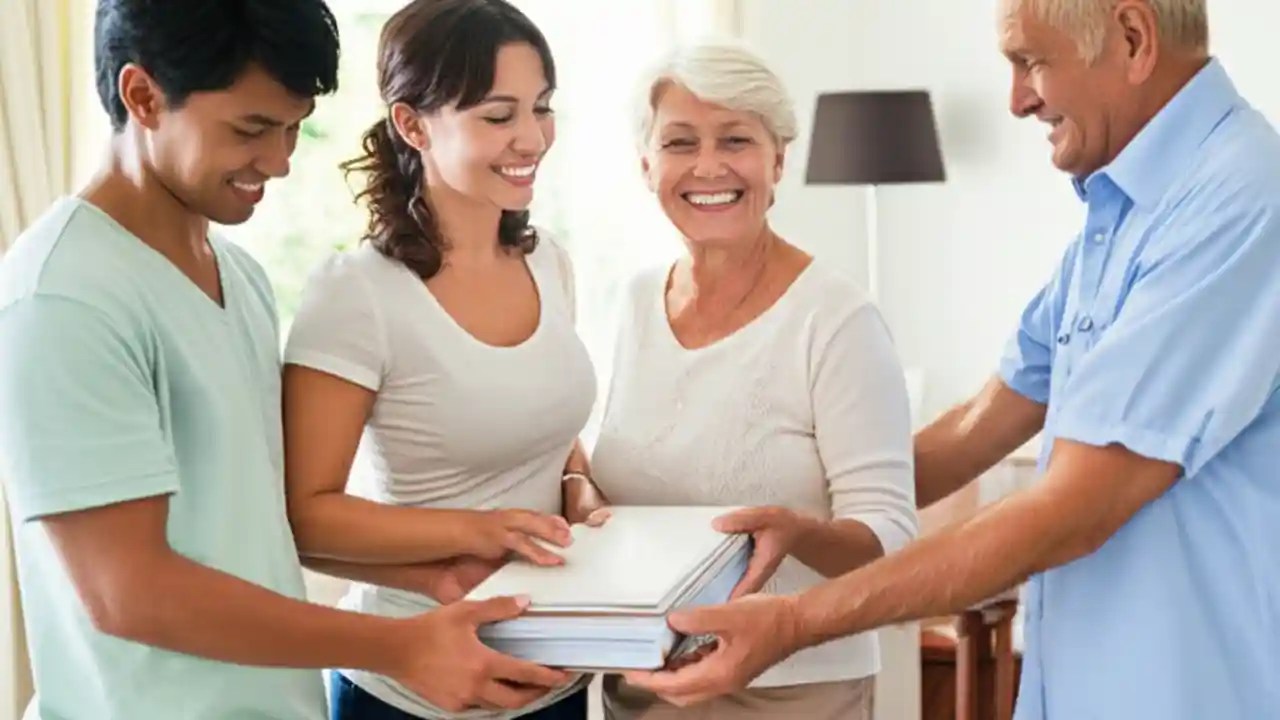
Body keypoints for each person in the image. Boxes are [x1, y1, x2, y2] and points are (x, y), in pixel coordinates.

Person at [623, 1, 1280, 718]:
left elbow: (1074, 508)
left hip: (1194, 689)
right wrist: (816, 511)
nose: (1017, 100)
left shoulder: (1239, 199)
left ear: (1132, 37)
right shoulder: (1124, 212)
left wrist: (795, 620)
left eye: (1030, 62)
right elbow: (981, 424)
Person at [0, 1, 570, 718]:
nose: (280, 161)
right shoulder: (63, 296)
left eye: (293, 127)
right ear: (142, 96)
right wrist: (398, 647)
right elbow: (128, 593)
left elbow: (255, 526)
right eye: (251, 129)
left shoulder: (237, 276)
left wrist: (432, 576)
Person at [280, 1, 603, 718]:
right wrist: (478, 530)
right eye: (498, 115)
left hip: (554, 677)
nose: (532, 138)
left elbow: (538, 419)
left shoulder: (549, 262)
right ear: (413, 125)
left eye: (541, 108)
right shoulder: (357, 293)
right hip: (412, 690)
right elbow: (305, 517)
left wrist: (578, 483)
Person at [581, 43, 918, 720]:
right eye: (680, 142)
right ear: (646, 164)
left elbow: (890, 535)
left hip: (794, 688)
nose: (708, 167)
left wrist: (798, 532)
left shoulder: (836, 318)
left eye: (735, 140)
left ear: (778, 161)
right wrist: (579, 488)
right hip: (645, 684)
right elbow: (611, 472)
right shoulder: (630, 302)